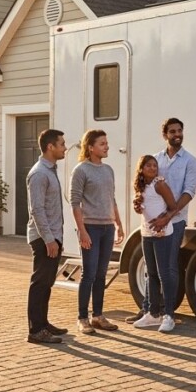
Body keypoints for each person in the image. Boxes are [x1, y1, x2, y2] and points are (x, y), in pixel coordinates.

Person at [128, 118, 196, 329]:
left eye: (179, 130)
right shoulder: (156, 159)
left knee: (168, 269)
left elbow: (189, 192)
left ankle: (169, 315)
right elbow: (145, 186)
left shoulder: (190, 161)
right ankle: (152, 311)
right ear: (165, 135)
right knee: (151, 270)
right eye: (172, 131)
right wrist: (137, 201)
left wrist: (168, 217)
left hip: (174, 222)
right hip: (149, 225)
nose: (177, 134)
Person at [70, 129, 125, 335]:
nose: (107, 146)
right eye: (102, 143)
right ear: (90, 147)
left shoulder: (108, 170)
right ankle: (82, 318)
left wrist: (118, 223)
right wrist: (82, 231)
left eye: (106, 143)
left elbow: (112, 199)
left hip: (107, 227)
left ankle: (98, 316)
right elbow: (75, 203)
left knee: (102, 274)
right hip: (90, 227)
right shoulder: (81, 170)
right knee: (89, 274)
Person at [26, 129, 69, 344]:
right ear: (50, 147)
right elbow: (37, 210)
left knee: (47, 283)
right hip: (44, 237)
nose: (65, 147)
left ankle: (44, 324)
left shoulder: (50, 170)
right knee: (40, 283)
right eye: (61, 144)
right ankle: (36, 331)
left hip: (53, 235)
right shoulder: (39, 173)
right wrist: (49, 239)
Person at [133, 155, 180, 333]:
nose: (153, 168)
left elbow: (174, 207)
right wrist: (137, 206)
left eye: (155, 165)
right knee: (150, 274)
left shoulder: (159, 184)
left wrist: (164, 220)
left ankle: (169, 315)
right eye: (148, 165)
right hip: (146, 233)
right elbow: (145, 206)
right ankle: (153, 314)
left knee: (164, 274)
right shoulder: (141, 186)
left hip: (162, 234)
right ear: (142, 168)